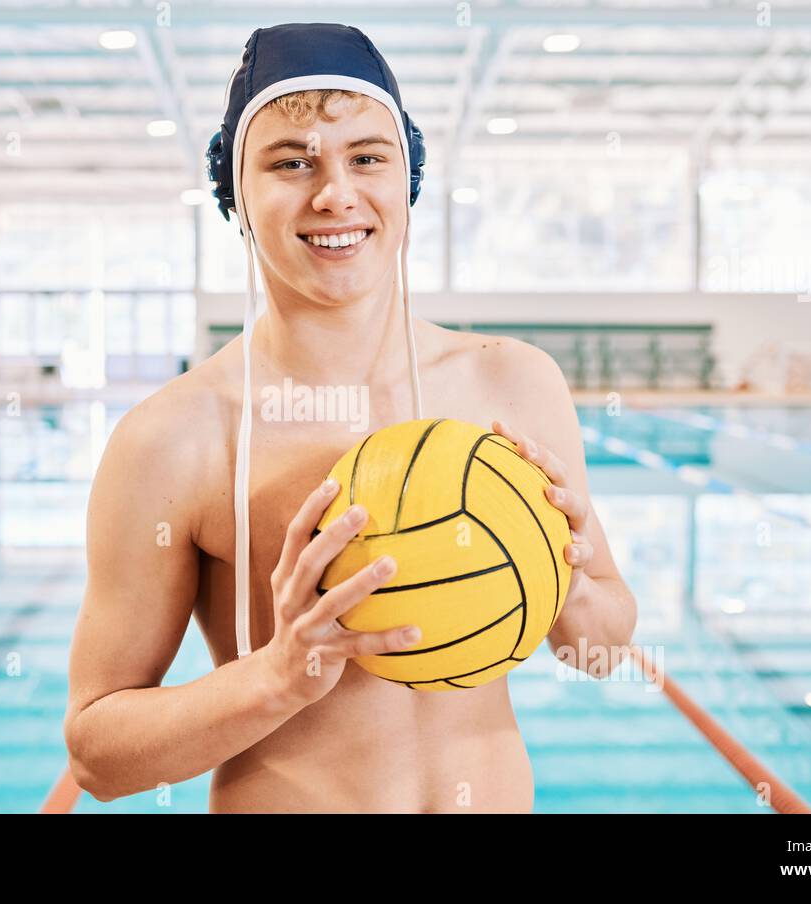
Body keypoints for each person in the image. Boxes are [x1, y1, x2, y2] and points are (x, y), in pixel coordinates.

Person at [65, 22, 637, 813]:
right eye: (291, 163)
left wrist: (562, 578)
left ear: (408, 178)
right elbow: (97, 756)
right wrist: (275, 678)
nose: (335, 194)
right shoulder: (174, 439)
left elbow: (602, 649)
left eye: (367, 158)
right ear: (235, 192)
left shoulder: (513, 384)